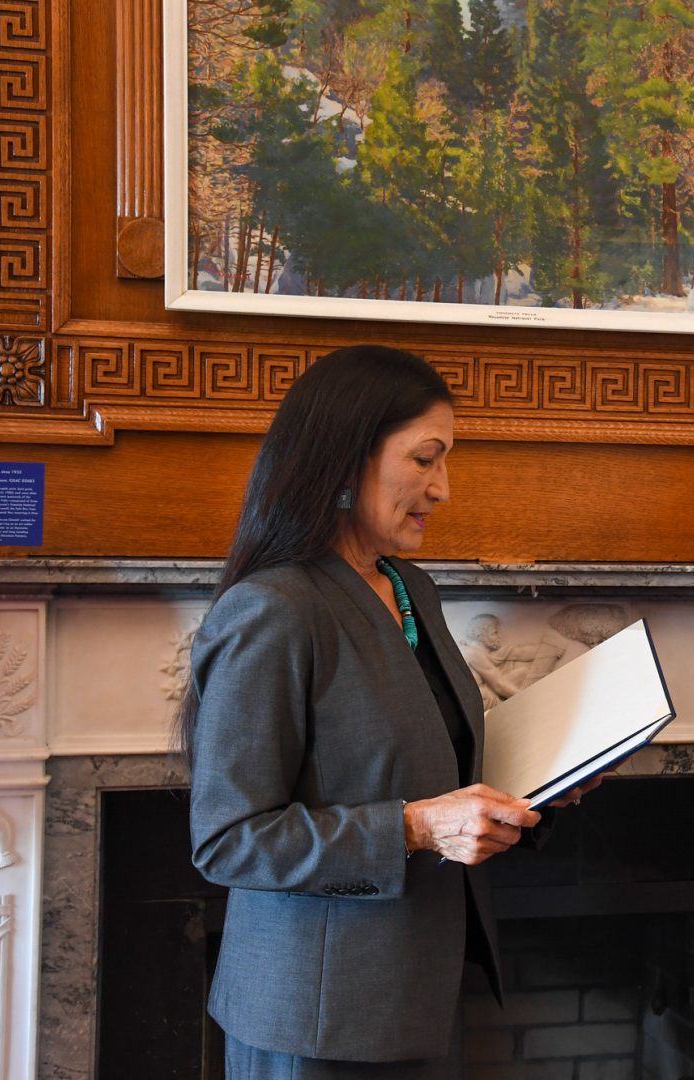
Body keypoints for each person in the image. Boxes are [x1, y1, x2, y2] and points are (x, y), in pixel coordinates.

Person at [177, 345, 602, 1079]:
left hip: (420, 992)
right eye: (425, 460)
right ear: (345, 461)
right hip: (317, 1021)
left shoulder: (410, 587)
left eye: (446, 462)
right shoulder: (271, 611)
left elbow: (429, 760)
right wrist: (414, 828)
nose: (443, 489)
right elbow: (229, 840)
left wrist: (548, 783)